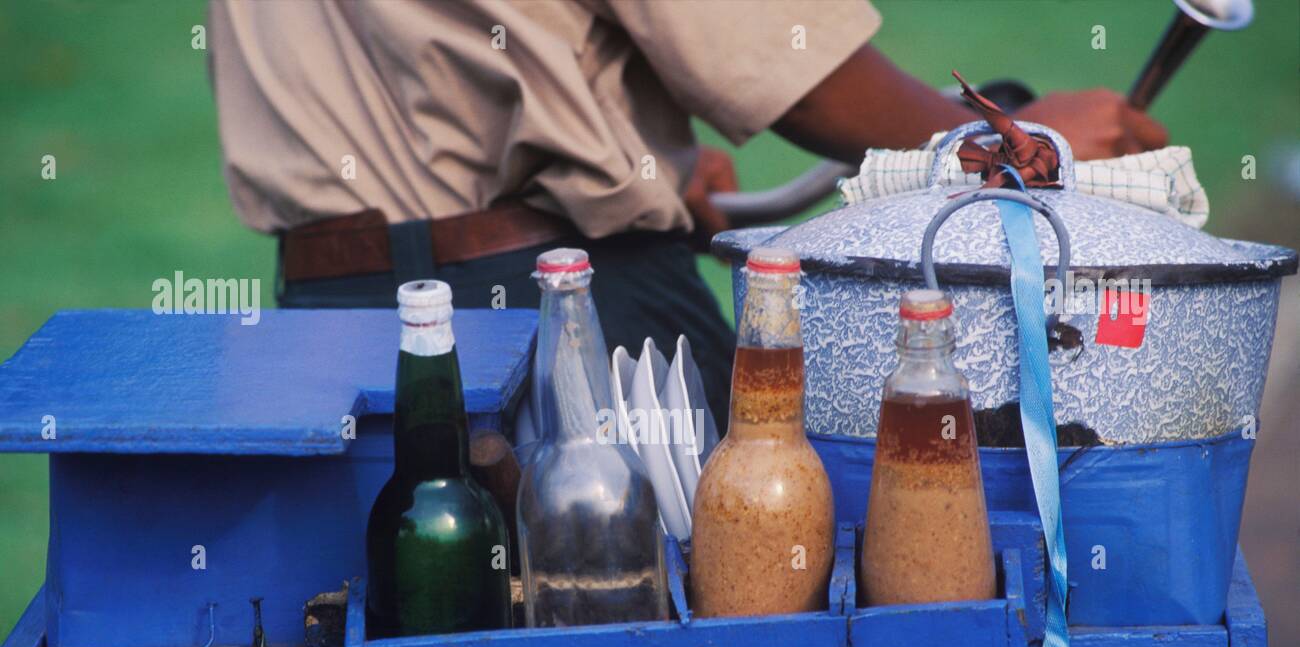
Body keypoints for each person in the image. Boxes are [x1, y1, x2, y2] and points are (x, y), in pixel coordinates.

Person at [207, 0, 1166, 424]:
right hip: (568, 314)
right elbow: (779, 59)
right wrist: (1004, 138)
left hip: (322, 330)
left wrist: (630, 165)